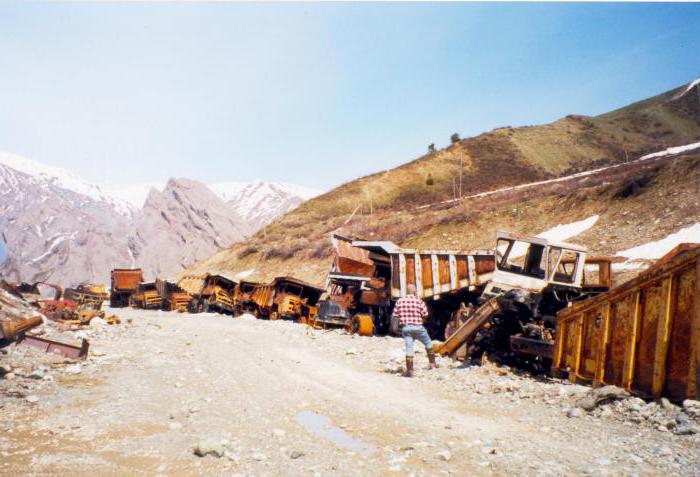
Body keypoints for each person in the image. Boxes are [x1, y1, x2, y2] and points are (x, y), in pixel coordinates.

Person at [391, 284, 438, 377]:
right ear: (414, 291)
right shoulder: (419, 301)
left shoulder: (400, 301)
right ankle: (432, 364)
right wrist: (421, 320)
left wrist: (396, 327)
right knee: (428, 343)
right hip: (418, 327)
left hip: (406, 328)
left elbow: (395, 315)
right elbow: (425, 314)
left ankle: (410, 370)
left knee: (409, 348)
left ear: (406, 291)